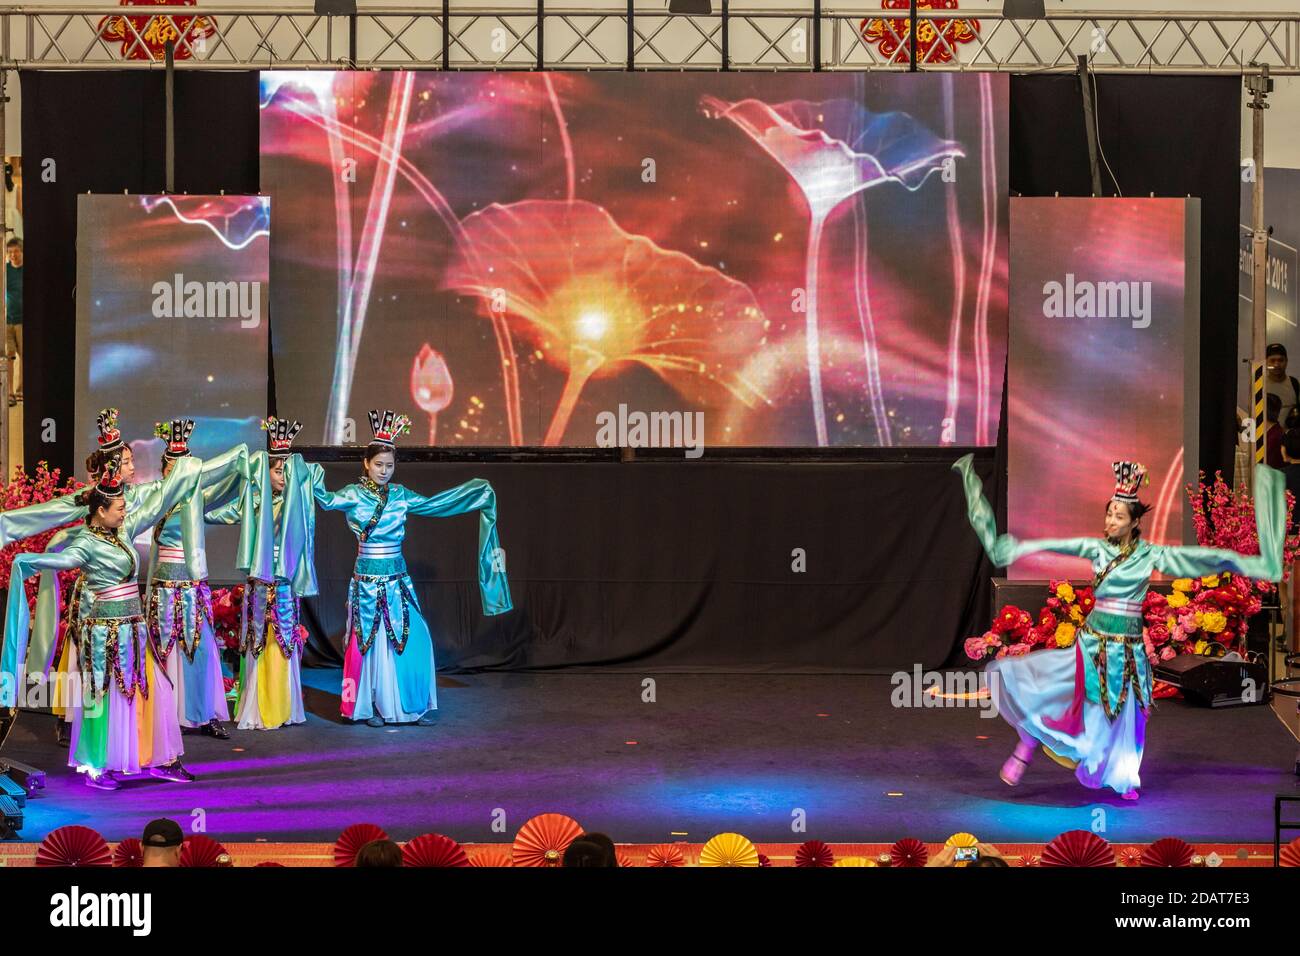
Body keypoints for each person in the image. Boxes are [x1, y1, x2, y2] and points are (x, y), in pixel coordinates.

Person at [952, 453, 1285, 800]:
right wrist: (1020, 547)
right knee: (1049, 697)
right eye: (1109, 513)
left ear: (1133, 522)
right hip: (1092, 645)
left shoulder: (1151, 554)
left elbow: (1199, 559)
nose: (1111, 520)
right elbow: (1054, 544)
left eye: (1119, 516)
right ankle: (1025, 746)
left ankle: (1125, 776)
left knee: (1129, 714)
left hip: (1128, 650)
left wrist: (1242, 561)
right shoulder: (1095, 548)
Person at [0, 451, 204, 790]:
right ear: (100, 511)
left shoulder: (123, 530)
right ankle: (100, 766)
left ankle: (159, 759)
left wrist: (186, 466)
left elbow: (162, 498)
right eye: (120, 508)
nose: (126, 511)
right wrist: (27, 560)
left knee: (156, 691)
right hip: (105, 635)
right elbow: (64, 560)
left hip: (135, 629)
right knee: (108, 699)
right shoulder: (86, 543)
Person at [307, 410, 512, 726]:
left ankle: (410, 706)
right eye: (379, 465)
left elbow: (434, 505)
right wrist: (309, 474)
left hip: (398, 579)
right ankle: (373, 707)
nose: (384, 471)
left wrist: (477, 495)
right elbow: (326, 500)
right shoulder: (353, 494)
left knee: (413, 637)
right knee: (371, 645)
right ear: (366, 463)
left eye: (390, 466)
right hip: (367, 580)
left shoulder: (401, 495)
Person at [145, 419, 259, 741]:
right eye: (174, 469)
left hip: (192, 586)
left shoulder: (195, 497)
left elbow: (222, 485)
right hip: (165, 587)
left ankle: (204, 713)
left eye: (186, 470)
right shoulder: (155, 497)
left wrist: (243, 465)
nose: (180, 475)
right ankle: (165, 714)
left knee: (200, 648)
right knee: (165, 648)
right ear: (165, 471)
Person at [206, 416, 315, 731]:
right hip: (258, 583)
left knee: (283, 641)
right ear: (265, 473)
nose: (282, 477)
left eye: (286, 472)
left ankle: (282, 705)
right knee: (257, 641)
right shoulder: (253, 502)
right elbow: (221, 514)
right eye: (277, 471)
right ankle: (259, 704)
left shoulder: (298, 504)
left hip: (284, 584)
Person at [1266, 343, 1300, 430]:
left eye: (1281, 360)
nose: (1277, 364)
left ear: (1286, 361)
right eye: (1272, 360)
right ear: (1266, 362)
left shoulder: (1294, 383)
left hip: (1290, 440)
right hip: (1268, 441)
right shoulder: (1260, 385)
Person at [4, 236, 21, 403]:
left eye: (16, 251)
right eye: (10, 252)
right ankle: (10, 393)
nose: (13, 255)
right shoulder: (5, 270)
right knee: (9, 356)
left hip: (23, 321)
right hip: (8, 320)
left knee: (24, 356)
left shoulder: (26, 271)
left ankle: (21, 390)